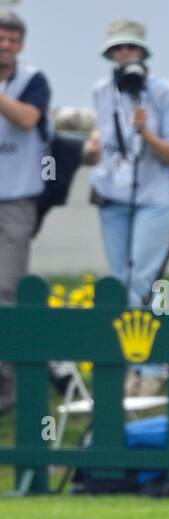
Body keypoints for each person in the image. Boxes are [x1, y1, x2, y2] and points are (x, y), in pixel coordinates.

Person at [83, 19, 169, 396]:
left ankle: (152, 366)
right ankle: (129, 362)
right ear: (110, 54)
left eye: (131, 48)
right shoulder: (100, 91)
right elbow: (105, 141)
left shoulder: (167, 92)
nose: (124, 55)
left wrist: (145, 131)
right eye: (118, 49)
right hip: (113, 193)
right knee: (119, 280)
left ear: (143, 52)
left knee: (144, 279)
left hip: (156, 195)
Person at [0, 10, 48, 306]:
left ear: (21, 46)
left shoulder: (33, 81)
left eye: (12, 40)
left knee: (7, 285)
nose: (5, 44)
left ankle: (5, 352)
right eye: (0, 38)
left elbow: (28, 118)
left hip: (17, 198)